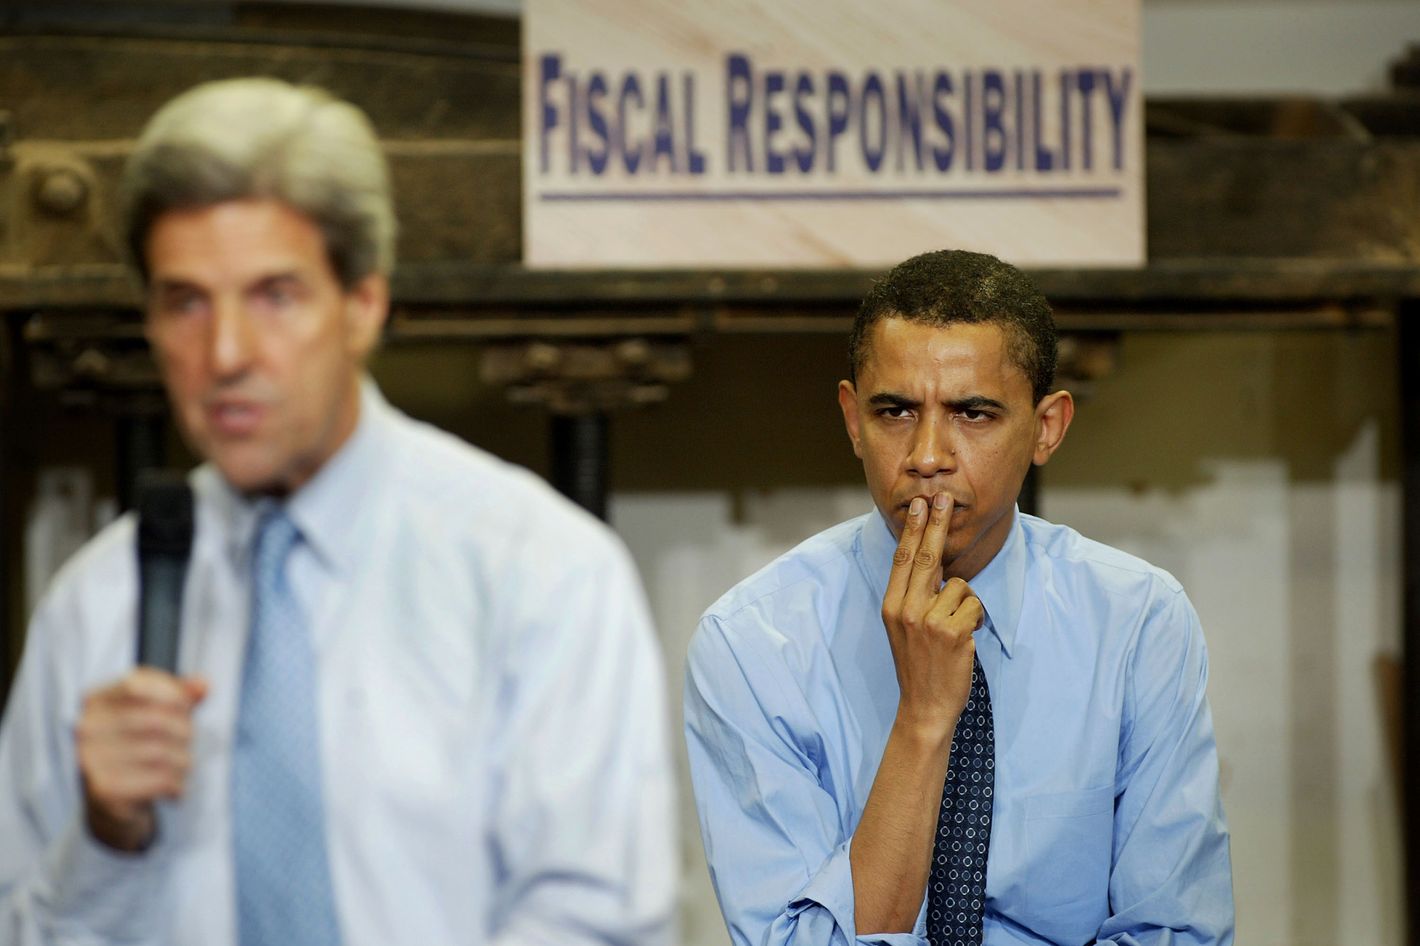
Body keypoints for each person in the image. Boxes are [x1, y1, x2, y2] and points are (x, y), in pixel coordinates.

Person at [0, 77, 675, 946]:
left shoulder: (537, 568)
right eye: (186, 303)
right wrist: (104, 838)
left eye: (274, 295)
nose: (226, 354)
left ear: (363, 305)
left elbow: (599, 920)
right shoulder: (94, 605)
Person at [684, 250, 1233, 946]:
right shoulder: (753, 644)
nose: (928, 455)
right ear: (853, 419)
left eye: (973, 413)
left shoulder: (1136, 622)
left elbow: (1176, 932)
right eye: (895, 411)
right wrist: (923, 719)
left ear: (1046, 428)